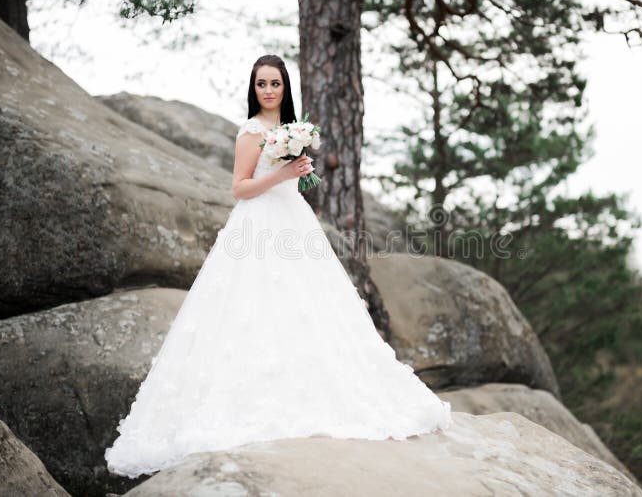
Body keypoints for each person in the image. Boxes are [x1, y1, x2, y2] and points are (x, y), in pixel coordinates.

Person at [104, 54, 453, 479]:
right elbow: (240, 188)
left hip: (293, 220)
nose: (268, 90)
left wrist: (298, 170)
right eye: (261, 84)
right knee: (253, 309)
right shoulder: (251, 131)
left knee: (309, 305)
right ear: (253, 89)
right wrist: (284, 173)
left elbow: (290, 178)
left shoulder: (289, 130)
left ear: (286, 89)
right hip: (257, 225)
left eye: (275, 84)